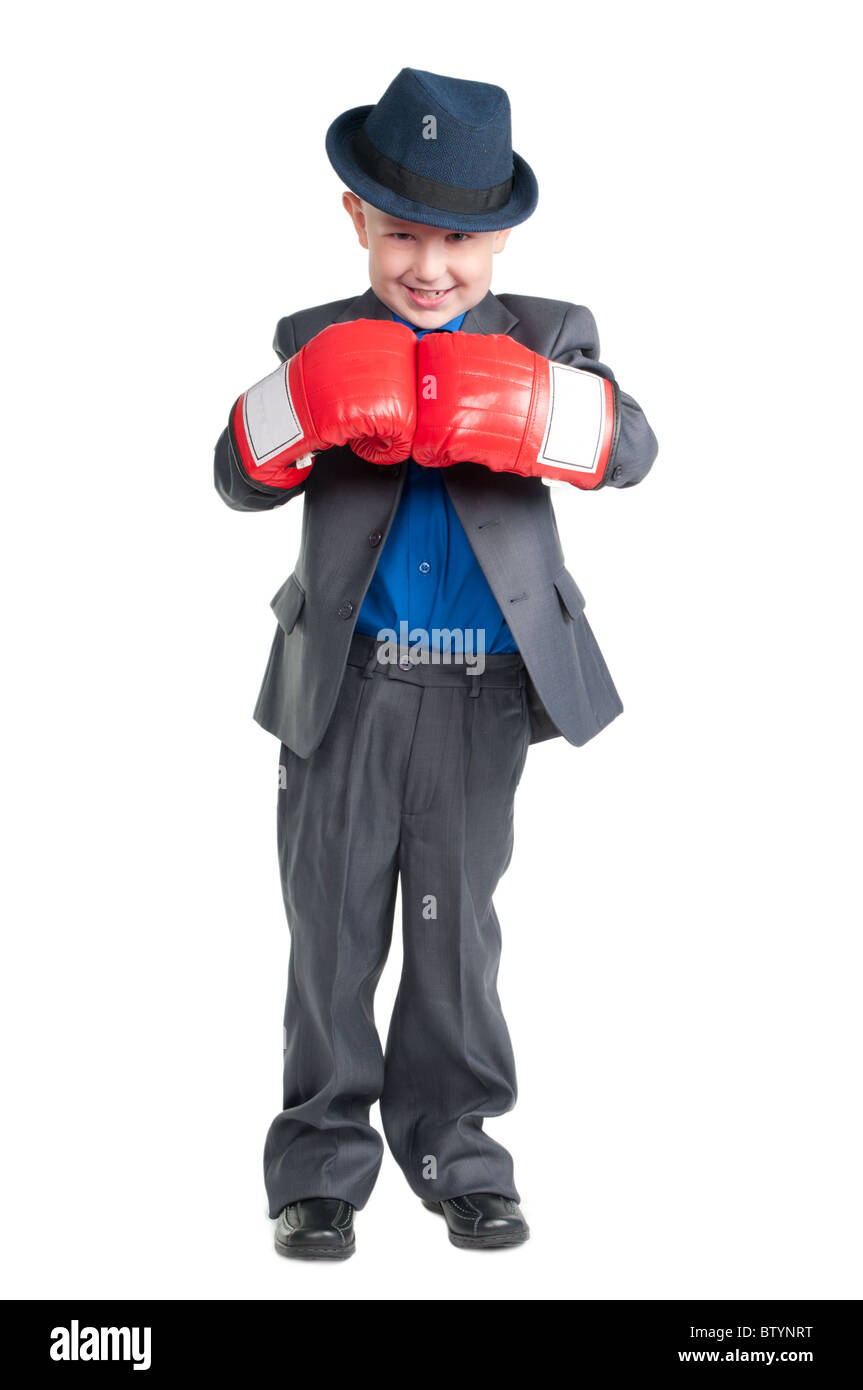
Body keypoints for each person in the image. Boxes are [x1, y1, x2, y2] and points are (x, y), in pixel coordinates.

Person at [214, 66, 658, 1259]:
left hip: (479, 690)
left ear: (501, 236)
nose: (428, 266)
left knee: (455, 929)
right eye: (401, 231)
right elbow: (233, 473)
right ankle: (317, 1167)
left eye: (458, 240)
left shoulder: (549, 336)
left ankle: (458, 1153)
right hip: (344, 684)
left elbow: (635, 450)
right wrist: (304, 406)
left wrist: (531, 408)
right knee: (331, 929)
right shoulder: (314, 341)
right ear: (353, 219)